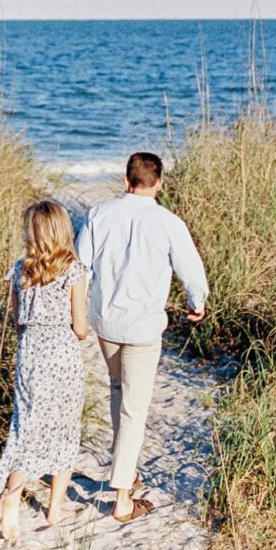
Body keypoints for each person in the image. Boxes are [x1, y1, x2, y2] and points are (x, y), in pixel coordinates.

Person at [76, 151, 208, 523]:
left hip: (106, 323)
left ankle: (128, 472)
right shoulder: (169, 223)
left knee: (119, 394)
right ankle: (122, 499)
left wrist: (80, 314)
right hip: (143, 327)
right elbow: (191, 270)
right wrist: (197, 302)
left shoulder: (100, 215)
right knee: (133, 408)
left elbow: (79, 268)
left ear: (126, 180)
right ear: (159, 182)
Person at [0, 199, 89, 544]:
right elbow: (80, 328)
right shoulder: (73, 270)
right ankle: (54, 508)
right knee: (65, 427)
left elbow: (18, 321)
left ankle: (12, 499)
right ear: (62, 229)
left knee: (26, 425)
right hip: (61, 355)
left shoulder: (21, 268)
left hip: (30, 354)